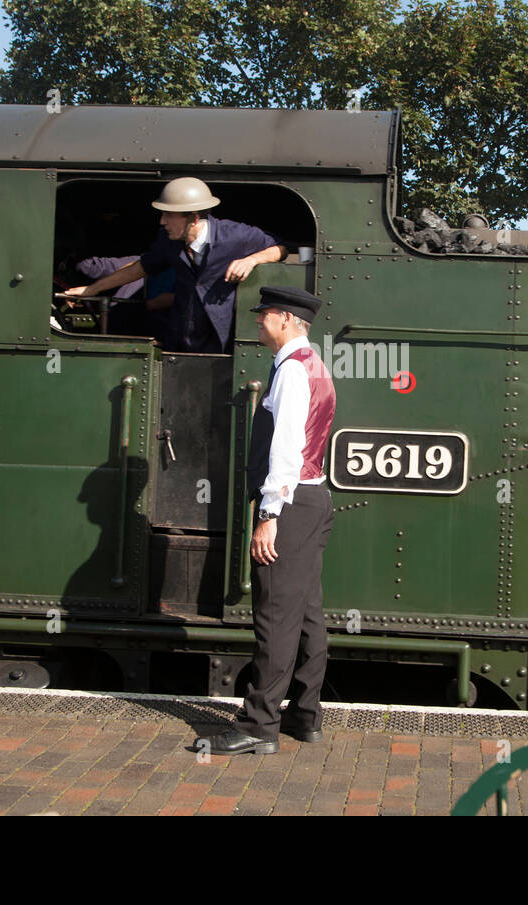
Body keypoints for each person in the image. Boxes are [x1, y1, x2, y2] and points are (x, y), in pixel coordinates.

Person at [209, 286, 336, 756]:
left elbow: (286, 449)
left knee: (274, 618)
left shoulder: (292, 371)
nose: (258, 322)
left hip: (293, 503)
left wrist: (268, 515)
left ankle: (258, 726)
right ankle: (305, 717)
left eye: (263, 316)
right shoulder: (315, 366)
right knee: (305, 616)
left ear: (285, 319)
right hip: (313, 499)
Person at [64, 177, 286, 353]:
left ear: (194, 218)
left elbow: (280, 248)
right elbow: (140, 268)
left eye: (169, 215)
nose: (162, 221)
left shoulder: (236, 236)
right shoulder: (167, 241)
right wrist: (92, 289)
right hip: (181, 338)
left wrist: (252, 260)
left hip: (221, 341)